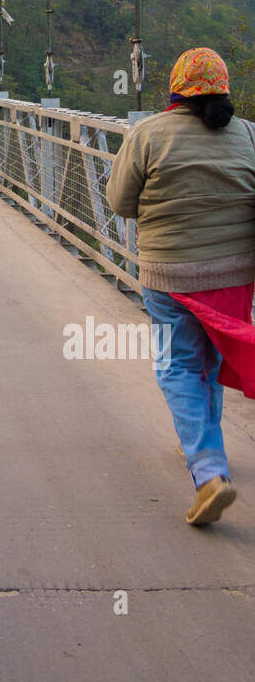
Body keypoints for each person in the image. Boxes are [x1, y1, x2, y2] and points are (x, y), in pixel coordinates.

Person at [107, 47, 255, 526]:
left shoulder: (148, 133)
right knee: (209, 361)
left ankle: (209, 470)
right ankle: (203, 444)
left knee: (178, 364)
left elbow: (120, 202)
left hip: (170, 273)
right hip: (233, 275)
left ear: (175, 88)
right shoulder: (249, 135)